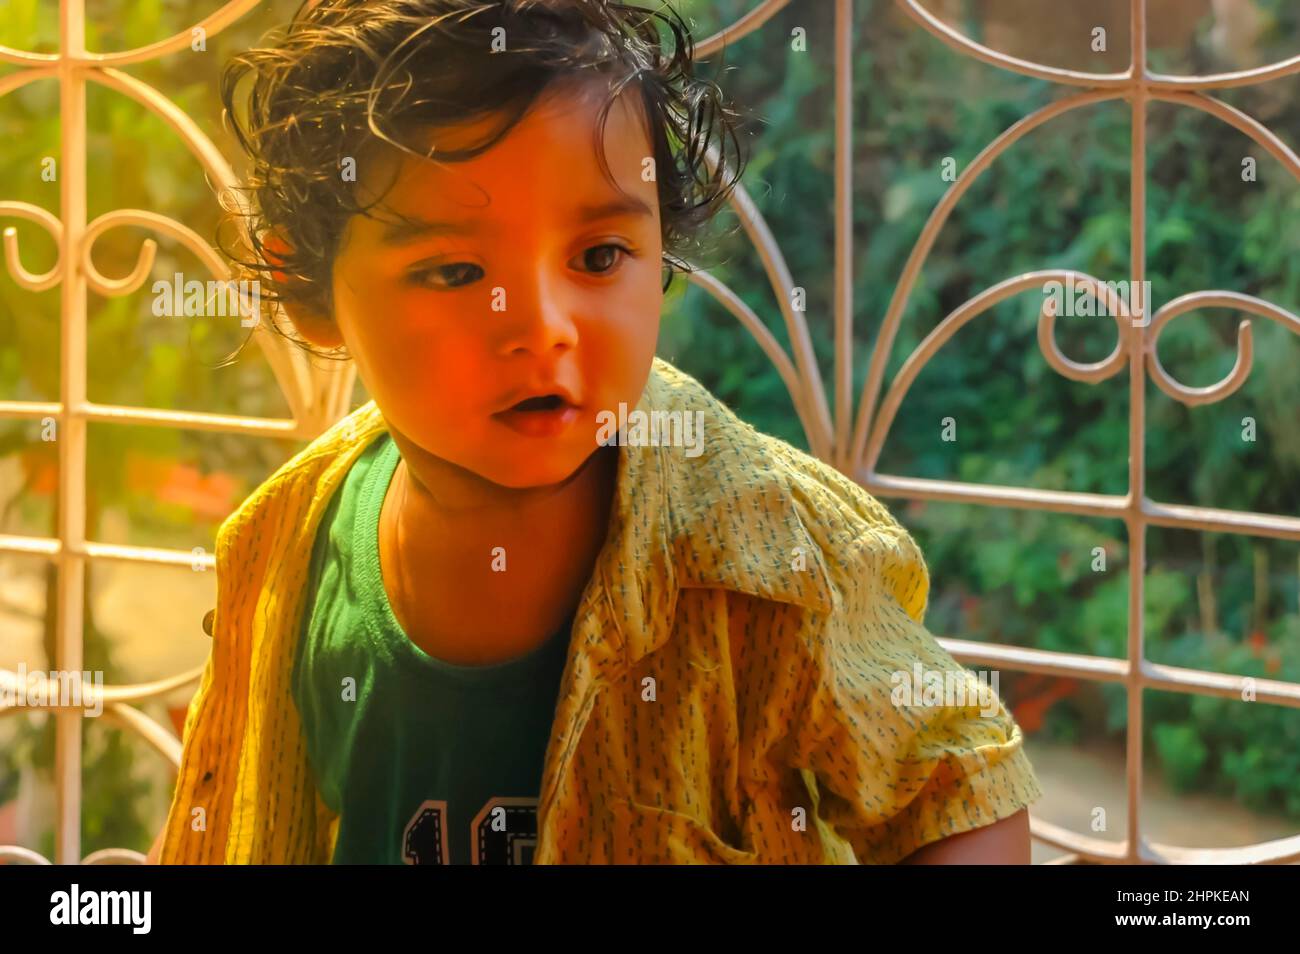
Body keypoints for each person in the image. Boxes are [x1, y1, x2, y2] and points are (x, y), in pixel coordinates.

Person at [150, 0, 1041, 865]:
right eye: (456, 270)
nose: (543, 328)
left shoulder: (772, 561)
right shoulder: (284, 554)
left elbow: (963, 792)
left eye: (600, 257)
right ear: (308, 292)